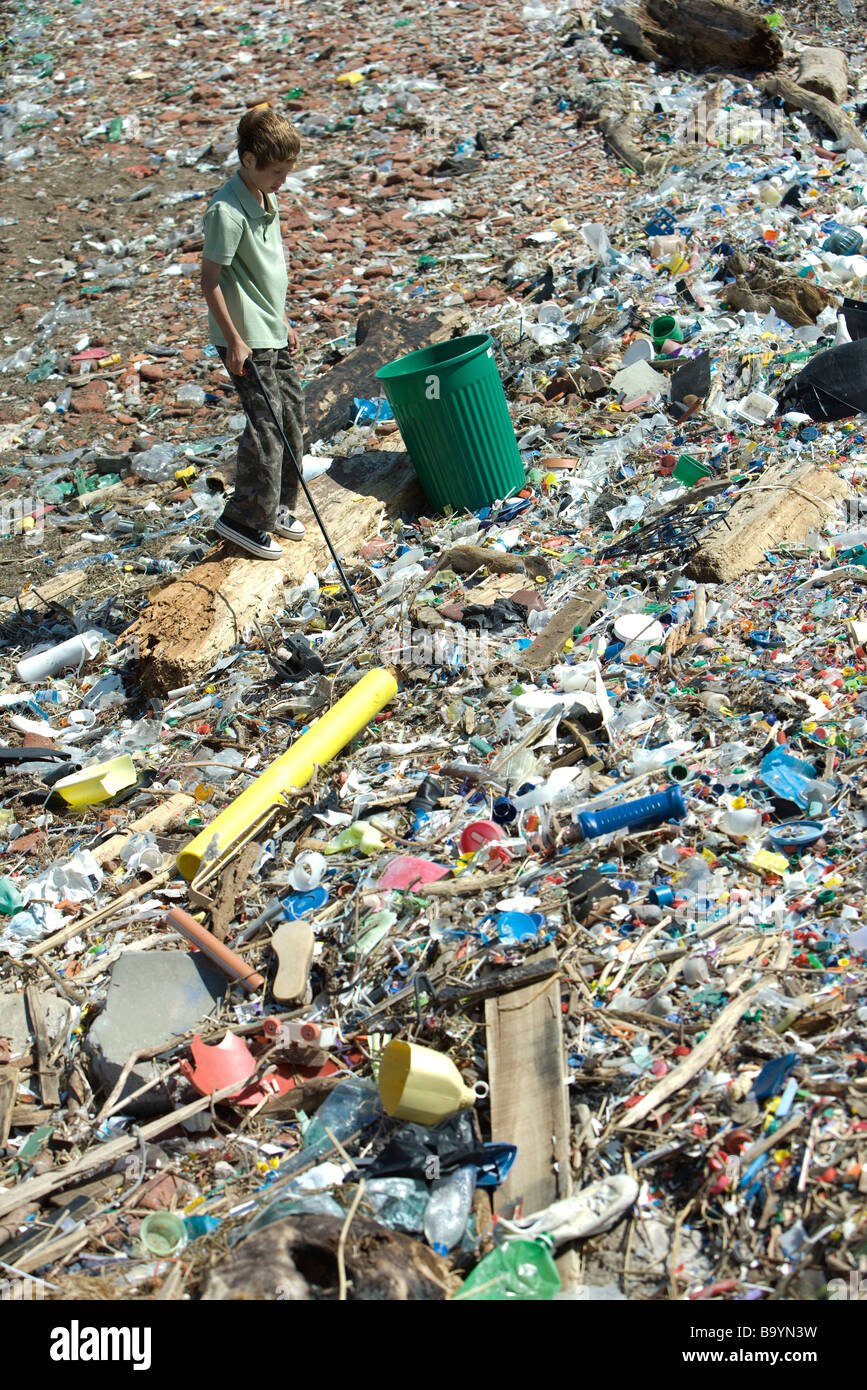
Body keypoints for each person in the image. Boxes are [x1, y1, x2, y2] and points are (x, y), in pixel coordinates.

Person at [201, 104, 307, 560]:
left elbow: (264, 272)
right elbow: (210, 281)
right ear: (247, 161)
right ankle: (241, 518)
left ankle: (278, 509)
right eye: (276, 171)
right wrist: (235, 341)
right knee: (265, 429)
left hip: (271, 329)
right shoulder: (226, 211)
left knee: (292, 420)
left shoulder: (267, 197)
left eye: (287, 171)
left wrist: (282, 319)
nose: (283, 180)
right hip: (245, 338)